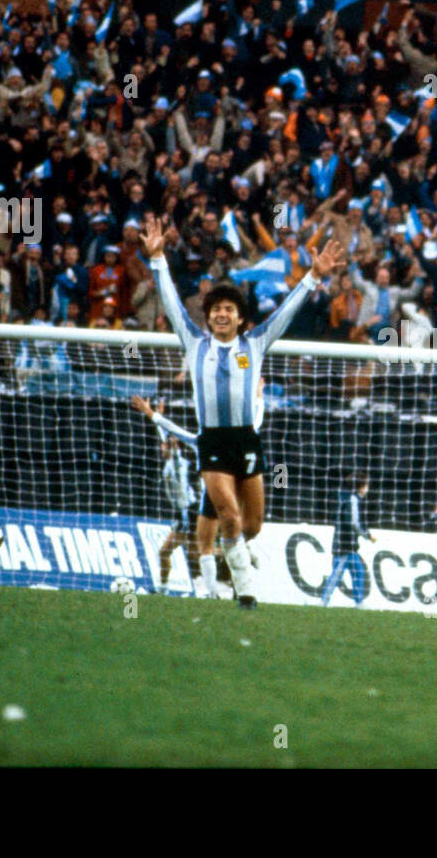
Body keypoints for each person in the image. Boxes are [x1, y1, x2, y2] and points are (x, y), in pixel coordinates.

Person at [143, 214, 344, 609]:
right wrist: (158, 260)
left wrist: (313, 277)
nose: (220, 314)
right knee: (230, 517)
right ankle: (245, 591)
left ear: (239, 317)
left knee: (251, 526)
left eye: (228, 310)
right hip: (213, 441)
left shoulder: (255, 342)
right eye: (215, 309)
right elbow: (168, 298)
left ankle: (225, 557)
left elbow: (286, 311)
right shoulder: (193, 341)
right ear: (209, 315)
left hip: (247, 440)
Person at [130, 395, 212, 596]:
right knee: (182, 552)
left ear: (174, 447)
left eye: (165, 446)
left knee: (187, 552)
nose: (161, 447)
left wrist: (154, 414)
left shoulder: (177, 462)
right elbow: (165, 437)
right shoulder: (170, 462)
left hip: (189, 512)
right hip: (183, 512)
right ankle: (164, 590)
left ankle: (223, 569)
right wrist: (158, 414)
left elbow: (170, 437)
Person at [322, 471, 376, 607]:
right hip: (344, 544)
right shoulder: (352, 500)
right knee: (337, 575)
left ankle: (359, 602)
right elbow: (354, 522)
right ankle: (323, 601)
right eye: (366, 485)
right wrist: (367, 535)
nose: (367, 488)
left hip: (350, 546)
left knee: (358, 571)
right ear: (361, 486)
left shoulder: (350, 498)